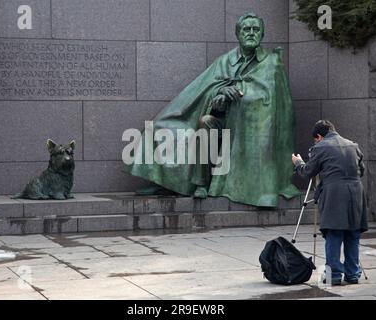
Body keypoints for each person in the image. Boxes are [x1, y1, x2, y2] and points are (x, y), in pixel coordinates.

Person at [125, 12, 300, 207]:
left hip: (250, 127)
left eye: (255, 29)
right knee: (174, 126)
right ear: (238, 34)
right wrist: (219, 94)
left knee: (207, 124)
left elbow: (272, 100)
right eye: (246, 29)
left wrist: (241, 91)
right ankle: (184, 183)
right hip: (222, 120)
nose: (251, 33)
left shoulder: (271, 62)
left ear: (262, 34)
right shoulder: (225, 61)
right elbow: (205, 88)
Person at [292, 120, 368, 285]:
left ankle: (333, 275)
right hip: (356, 194)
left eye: (315, 139)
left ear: (319, 136)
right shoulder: (352, 145)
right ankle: (353, 274)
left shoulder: (320, 147)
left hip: (334, 194)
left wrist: (298, 163)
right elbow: (361, 171)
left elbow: (307, 172)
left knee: (334, 233)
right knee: (352, 234)